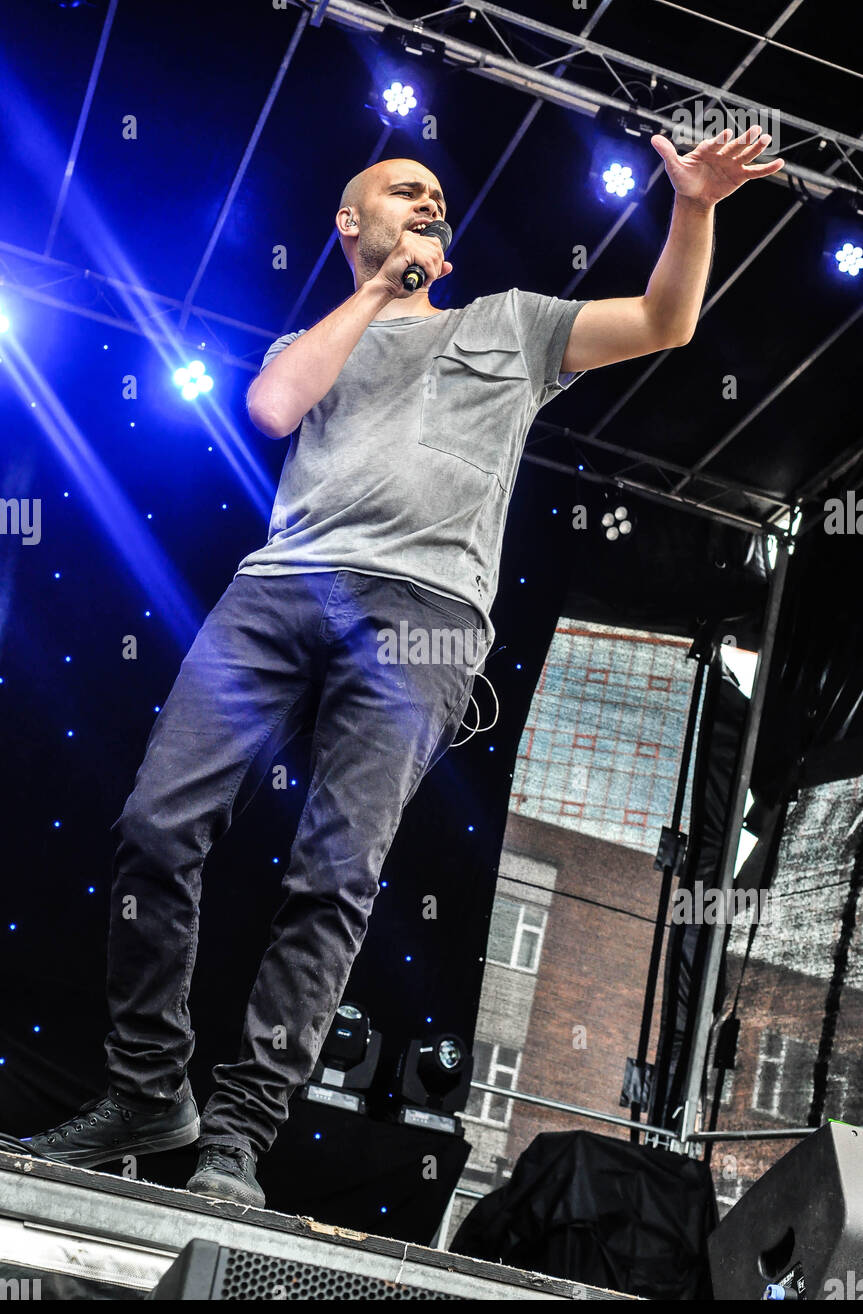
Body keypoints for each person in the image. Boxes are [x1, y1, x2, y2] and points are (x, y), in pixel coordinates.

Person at [22, 129, 782, 1209]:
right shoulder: (320, 334)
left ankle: (235, 1135)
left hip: (422, 614)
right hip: (283, 588)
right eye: (401, 191)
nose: (428, 202)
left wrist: (695, 205)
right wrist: (376, 292)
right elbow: (273, 409)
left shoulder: (508, 324)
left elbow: (667, 320)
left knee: (331, 874)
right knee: (155, 826)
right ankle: (149, 1090)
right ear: (350, 222)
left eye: (436, 195)